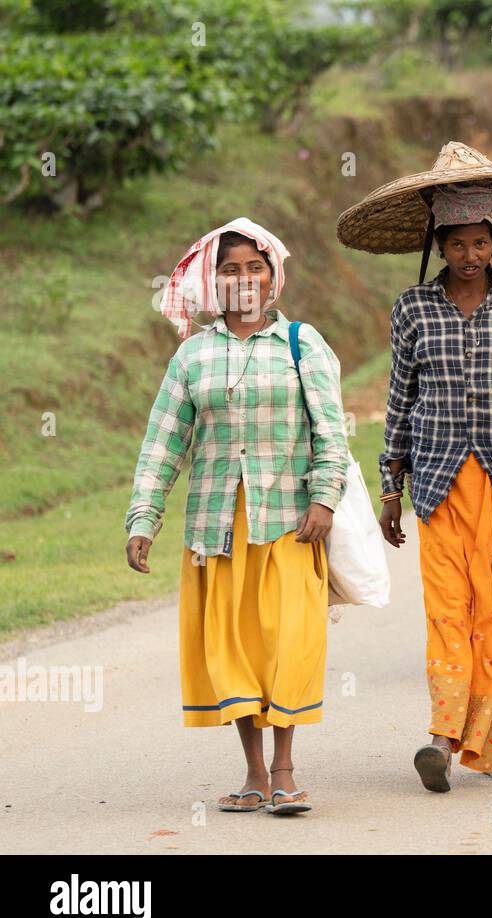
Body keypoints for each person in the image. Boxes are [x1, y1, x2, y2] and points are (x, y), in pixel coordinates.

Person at [126, 219, 349, 816]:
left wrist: (325, 497)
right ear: (212, 281)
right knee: (234, 649)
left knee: (287, 644)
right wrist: (144, 517)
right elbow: (164, 443)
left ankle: (285, 769)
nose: (244, 279)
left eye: (255, 267)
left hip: (291, 524)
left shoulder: (302, 343)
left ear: (273, 276)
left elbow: (331, 429)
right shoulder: (193, 356)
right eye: (230, 269)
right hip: (216, 528)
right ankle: (254, 773)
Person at [378, 183, 492, 790]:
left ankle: (491, 740)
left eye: (481, 243)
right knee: (446, 610)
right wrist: (389, 487)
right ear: (440, 245)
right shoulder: (412, 308)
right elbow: (400, 400)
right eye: (457, 244)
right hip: (435, 484)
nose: (471, 255)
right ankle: (441, 732)